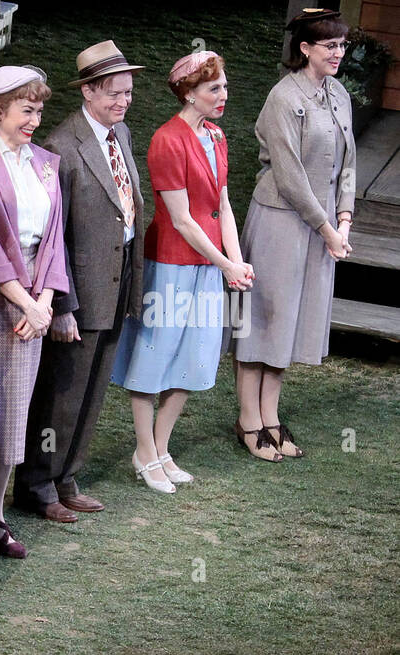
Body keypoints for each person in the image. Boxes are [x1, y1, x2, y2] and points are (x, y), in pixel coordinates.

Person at [111, 51, 254, 492]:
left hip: (207, 265)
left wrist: (236, 259)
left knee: (193, 358)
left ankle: (159, 448)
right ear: (189, 93)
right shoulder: (167, 140)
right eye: (214, 88)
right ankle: (145, 453)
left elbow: (222, 206)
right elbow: (182, 219)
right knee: (153, 355)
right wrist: (226, 262)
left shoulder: (216, 136)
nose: (223, 95)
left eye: (224, 86)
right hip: (171, 264)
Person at [15, 41, 145, 521]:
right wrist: (63, 304)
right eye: (113, 93)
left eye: (128, 93)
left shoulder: (120, 134)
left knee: (92, 389)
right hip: (80, 288)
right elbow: (55, 236)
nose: (123, 102)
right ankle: (37, 483)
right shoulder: (61, 146)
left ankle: (68, 473)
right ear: (88, 91)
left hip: (117, 277)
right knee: (61, 392)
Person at [232, 8, 355, 461]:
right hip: (283, 220)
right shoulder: (284, 98)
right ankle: (249, 419)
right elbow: (289, 176)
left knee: (292, 321)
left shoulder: (339, 93)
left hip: (321, 227)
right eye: (330, 46)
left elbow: (349, 163)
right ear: (305, 49)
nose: (338, 53)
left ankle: (271, 415)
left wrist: (343, 220)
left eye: (342, 45)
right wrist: (327, 228)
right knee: (265, 318)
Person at [0, 65, 69, 560]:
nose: (35, 119)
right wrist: (22, 299)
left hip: (32, 309)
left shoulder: (46, 161)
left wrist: (44, 302)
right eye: (27, 109)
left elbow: (55, 239)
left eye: (40, 110)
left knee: (11, 415)